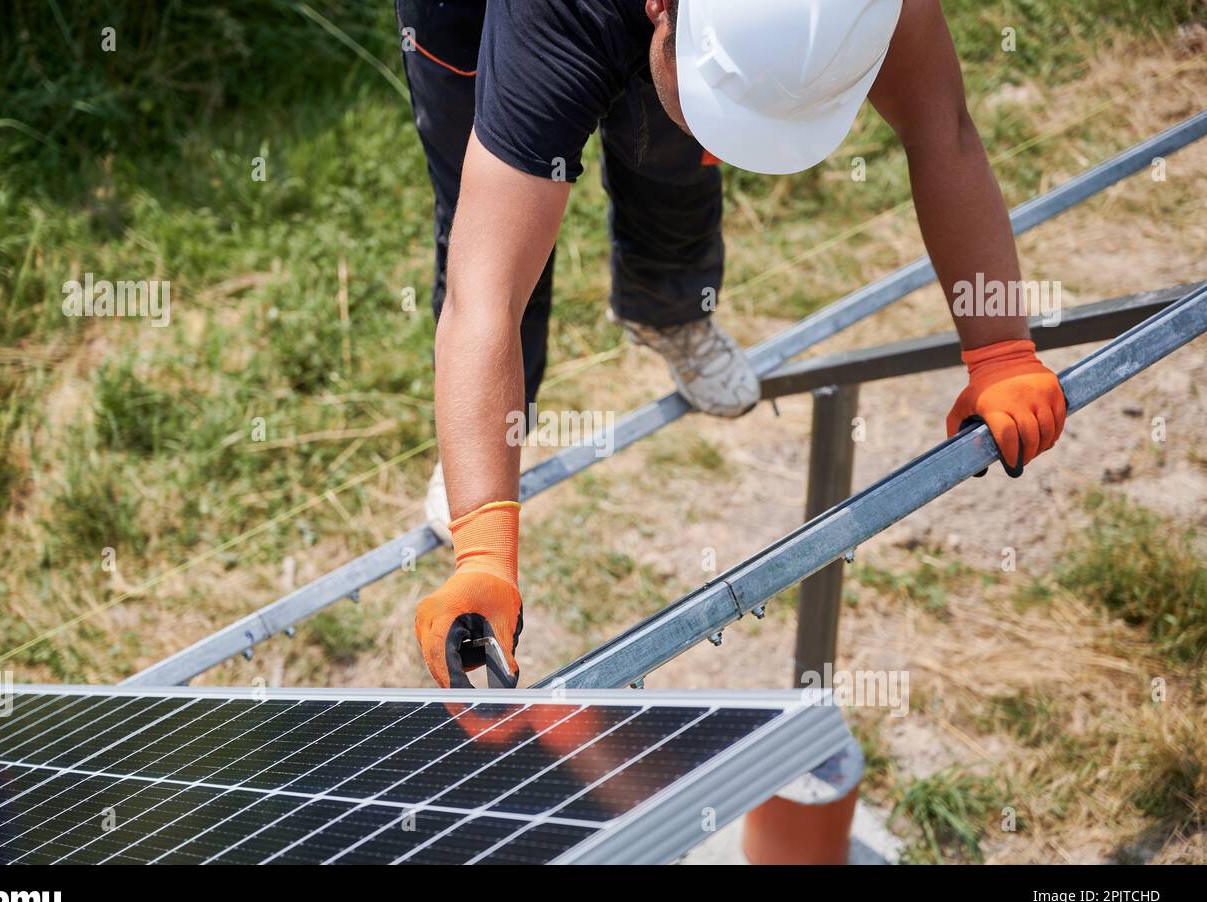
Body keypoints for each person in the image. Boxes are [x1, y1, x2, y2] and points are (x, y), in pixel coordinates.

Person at [399, 0, 1068, 689]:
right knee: (493, 216)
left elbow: (944, 132)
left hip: (679, 34)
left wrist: (1001, 352)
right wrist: (484, 553)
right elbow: (486, 295)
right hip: (471, 20)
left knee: (671, 156)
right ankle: (491, 439)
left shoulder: (858, 8)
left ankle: (668, 314)